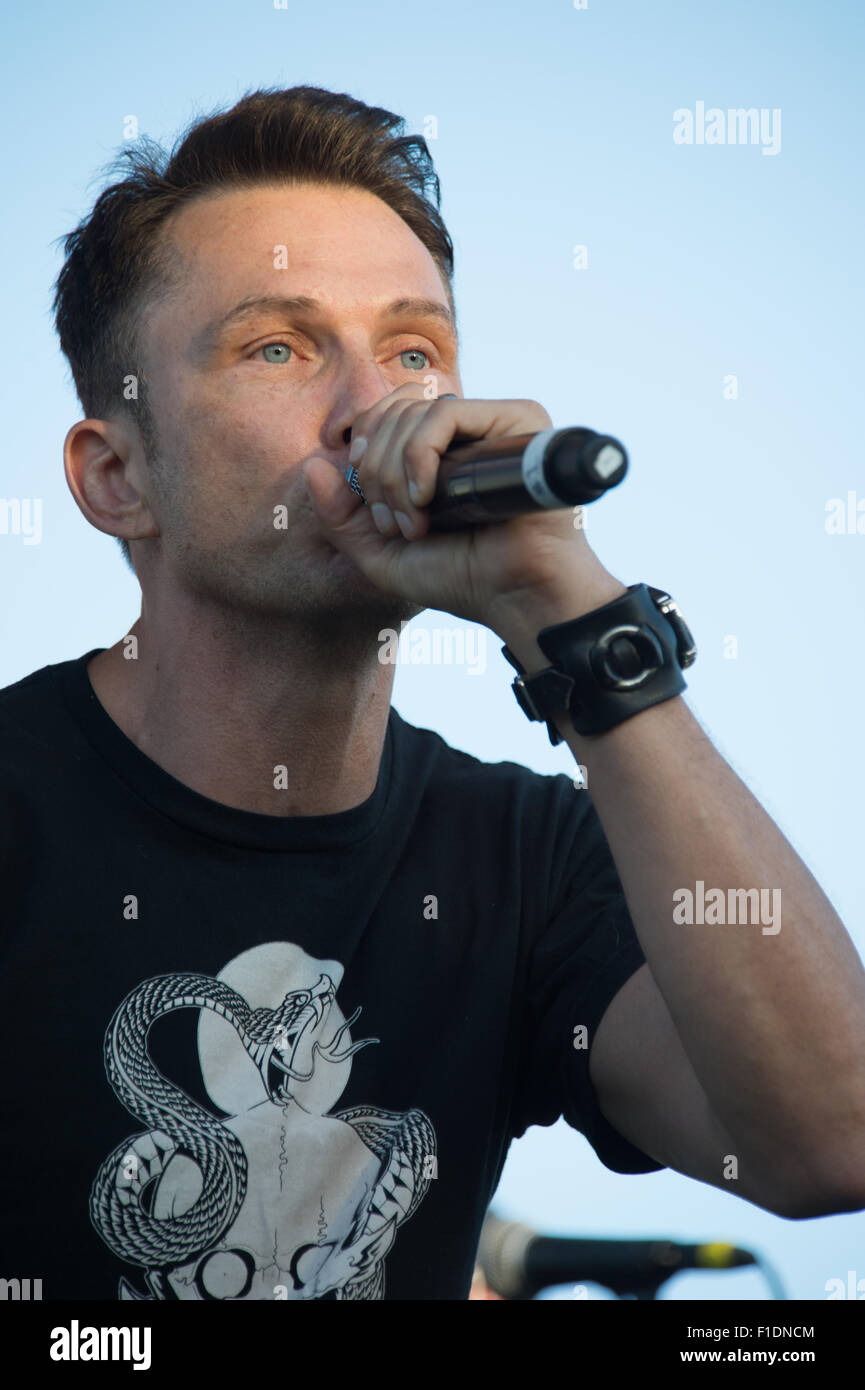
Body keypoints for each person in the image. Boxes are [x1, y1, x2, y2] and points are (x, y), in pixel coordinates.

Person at [2, 85, 863, 1303]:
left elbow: (830, 1143)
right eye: (278, 347)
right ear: (115, 476)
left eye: (413, 350)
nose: (379, 409)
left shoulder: (520, 857)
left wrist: (566, 607)